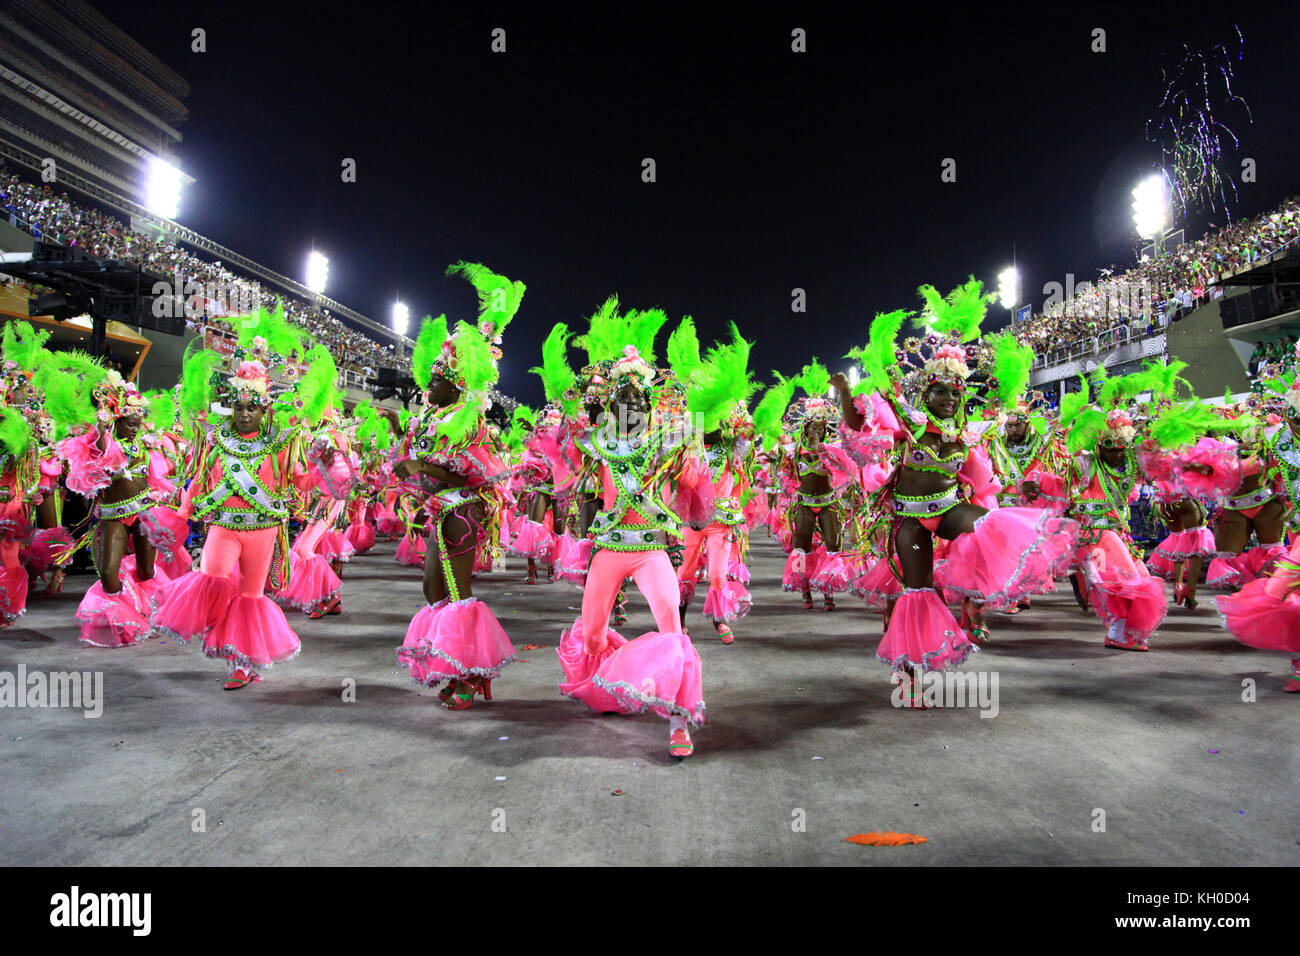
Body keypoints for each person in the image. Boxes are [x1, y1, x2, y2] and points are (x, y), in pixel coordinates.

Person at [151, 310, 352, 689]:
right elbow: (198, 481)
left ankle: (243, 665)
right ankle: (214, 624)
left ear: (265, 408)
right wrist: (181, 513)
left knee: (250, 596)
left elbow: (302, 482)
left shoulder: (281, 443)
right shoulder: (217, 440)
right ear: (232, 405)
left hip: (263, 531)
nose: (244, 415)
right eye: (239, 407)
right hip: (224, 526)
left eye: (252, 408)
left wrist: (325, 466)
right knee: (209, 575)